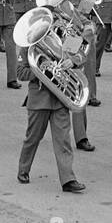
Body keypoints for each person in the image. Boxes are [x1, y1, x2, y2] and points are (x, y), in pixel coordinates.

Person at [17, 38, 84, 192]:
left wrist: (72, 61)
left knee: (63, 141)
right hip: (39, 100)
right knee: (33, 138)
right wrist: (40, 70)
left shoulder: (62, 40)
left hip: (60, 98)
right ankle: (23, 169)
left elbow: (82, 55)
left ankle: (68, 179)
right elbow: (20, 72)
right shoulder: (29, 46)